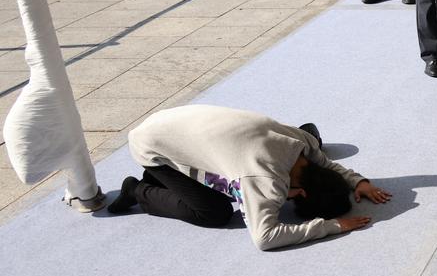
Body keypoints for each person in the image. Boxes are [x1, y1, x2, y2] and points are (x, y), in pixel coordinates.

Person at [108, 105, 392, 251]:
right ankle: (139, 190)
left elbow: (325, 164)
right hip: (151, 146)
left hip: (172, 120)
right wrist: (331, 226)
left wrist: (358, 181)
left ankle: (170, 177)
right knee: (215, 212)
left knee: (311, 141)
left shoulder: (301, 141)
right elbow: (265, 237)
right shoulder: (262, 178)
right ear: (301, 193)